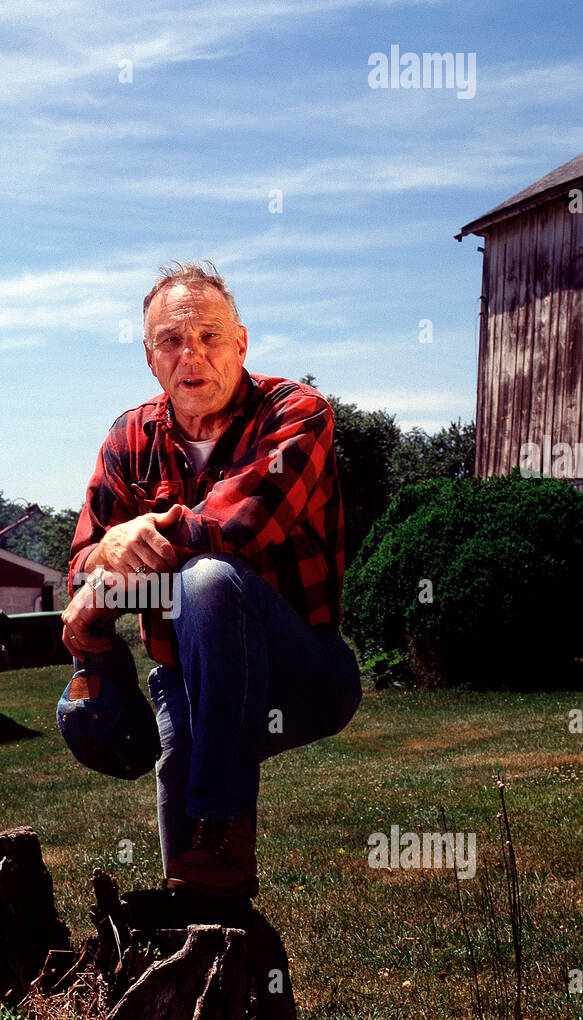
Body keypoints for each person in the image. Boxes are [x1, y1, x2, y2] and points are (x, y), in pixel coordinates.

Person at [60, 261, 362, 899]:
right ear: (150, 357)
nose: (190, 354)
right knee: (192, 876)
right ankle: (208, 945)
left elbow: (241, 526)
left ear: (242, 343)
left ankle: (225, 825)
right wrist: (104, 561)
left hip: (302, 675)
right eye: (171, 340)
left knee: (207, 580)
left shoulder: (297, 412)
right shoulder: (128, 437)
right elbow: (83, 562)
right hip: (186, 684)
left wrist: (130, 544)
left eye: (210, 336)